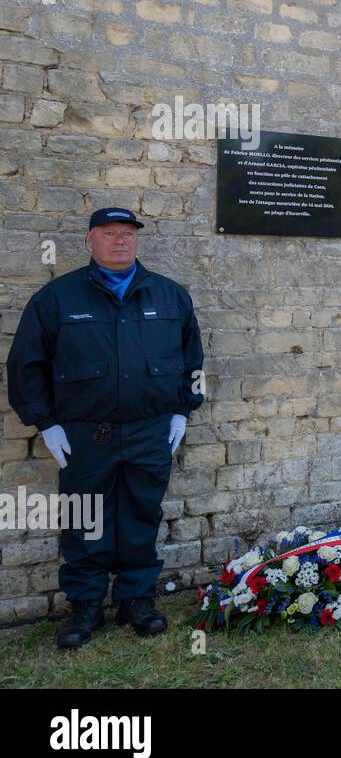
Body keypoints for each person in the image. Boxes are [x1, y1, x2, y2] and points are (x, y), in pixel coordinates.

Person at [6, 207, 204, 648]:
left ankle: (137, 600)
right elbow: (26, 365)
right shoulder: (57, 298)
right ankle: (86, 605)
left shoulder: (170, 296)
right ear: (89, 240)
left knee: (141, 513)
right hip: (84, 433)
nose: (120, 241)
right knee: (86, 516)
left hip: (150, 429)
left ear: (136, 241)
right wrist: (47, 422)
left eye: (128, 234)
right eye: (109, 233)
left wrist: (182, 411)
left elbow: (192, 359)